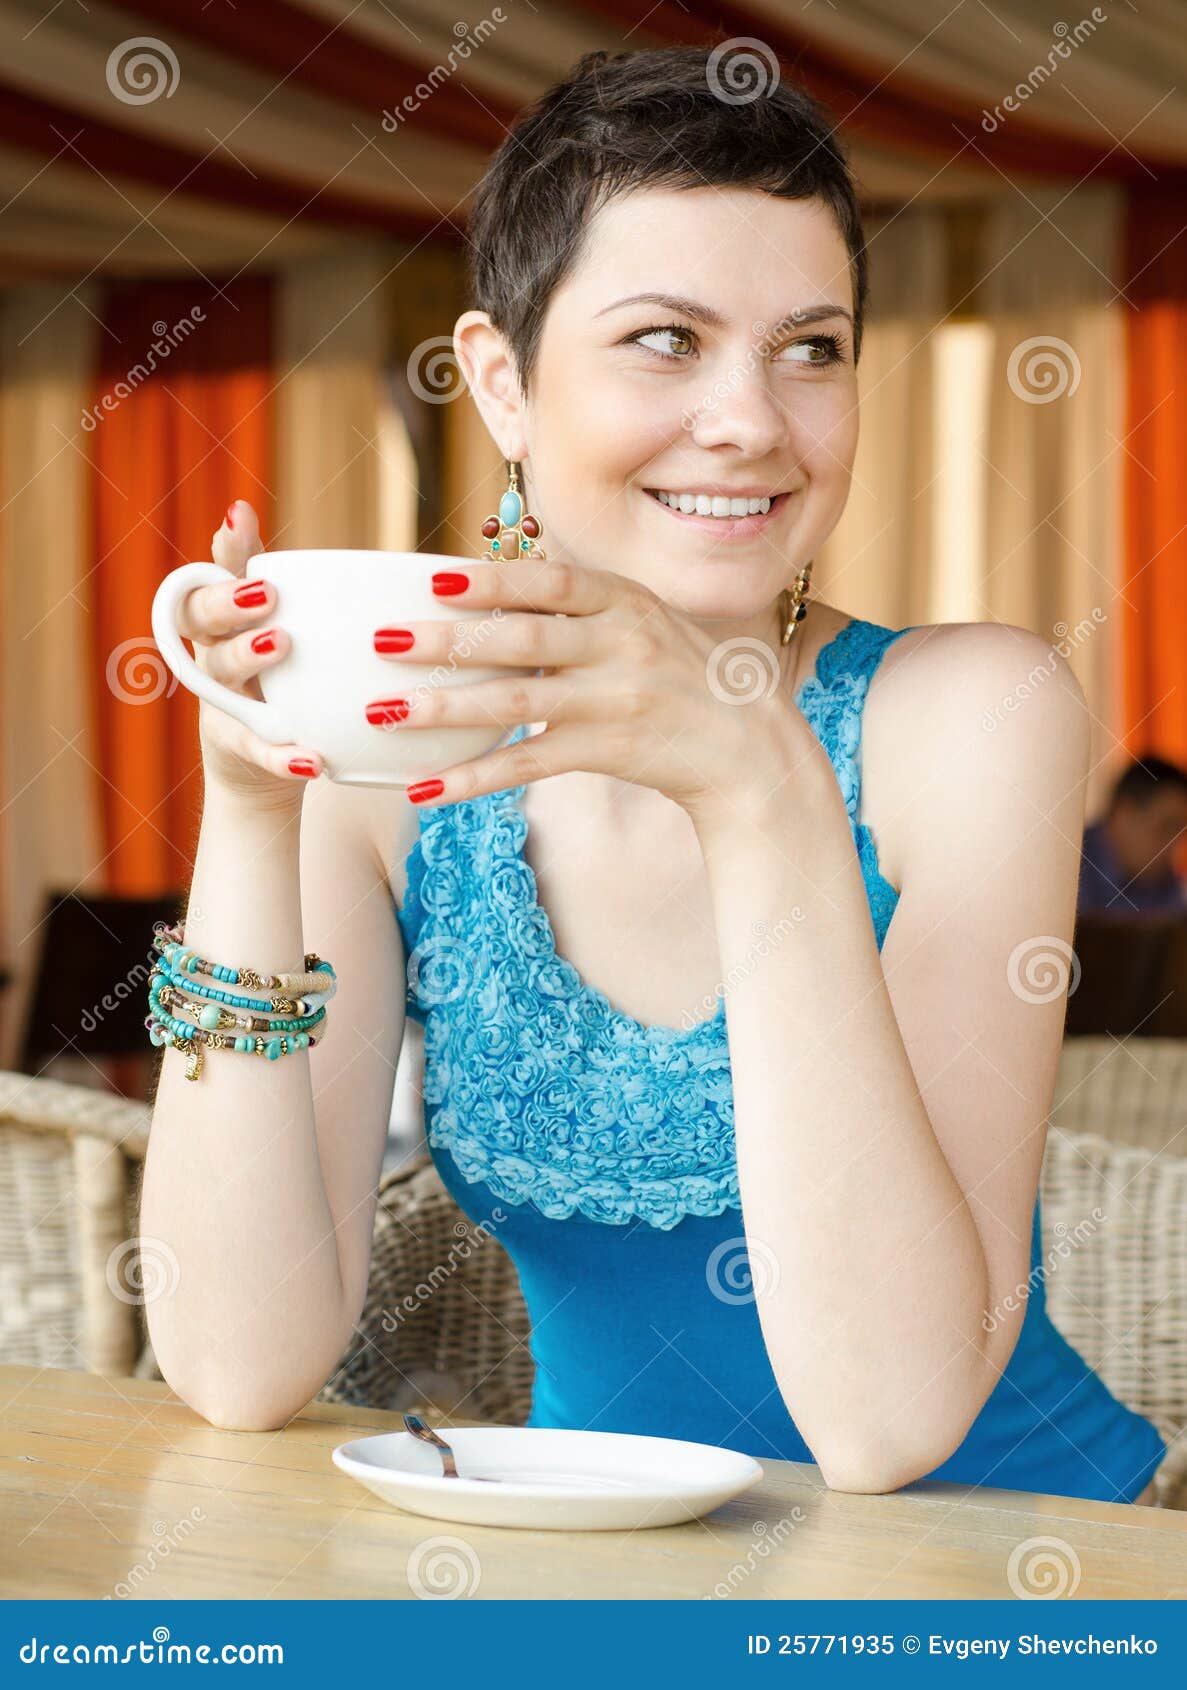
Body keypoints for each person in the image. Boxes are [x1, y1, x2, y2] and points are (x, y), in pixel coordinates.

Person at [140, 46, 1165, 1506]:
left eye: (811, 347)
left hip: (1001, 1570)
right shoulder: (395, 767)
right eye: (665, 339)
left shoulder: (969, 716)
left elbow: (885, 1425)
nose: (751, 419)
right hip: (607, 1569)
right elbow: (237, 1361)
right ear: (498, 379)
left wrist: (759, 790)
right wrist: (249, 806)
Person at [1078, 756, 1187, 917]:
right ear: (1124, 815)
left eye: (1180, 836)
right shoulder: (1068, 866)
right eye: (1165, 828)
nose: (1173, 848)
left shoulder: (1165, 883)